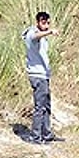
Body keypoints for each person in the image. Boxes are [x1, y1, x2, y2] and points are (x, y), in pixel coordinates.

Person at [22, 11, 59, 144]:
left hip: (44, 75)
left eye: (48, 22)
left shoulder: (42, 37)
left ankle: (46, 133)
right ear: (37, 22)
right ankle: (35, 136)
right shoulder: (32, 33)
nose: (47, 25)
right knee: (39, 107)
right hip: (37, 76)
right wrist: (49, 32)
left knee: (46, 106)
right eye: (44, 22)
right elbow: (35, 37)